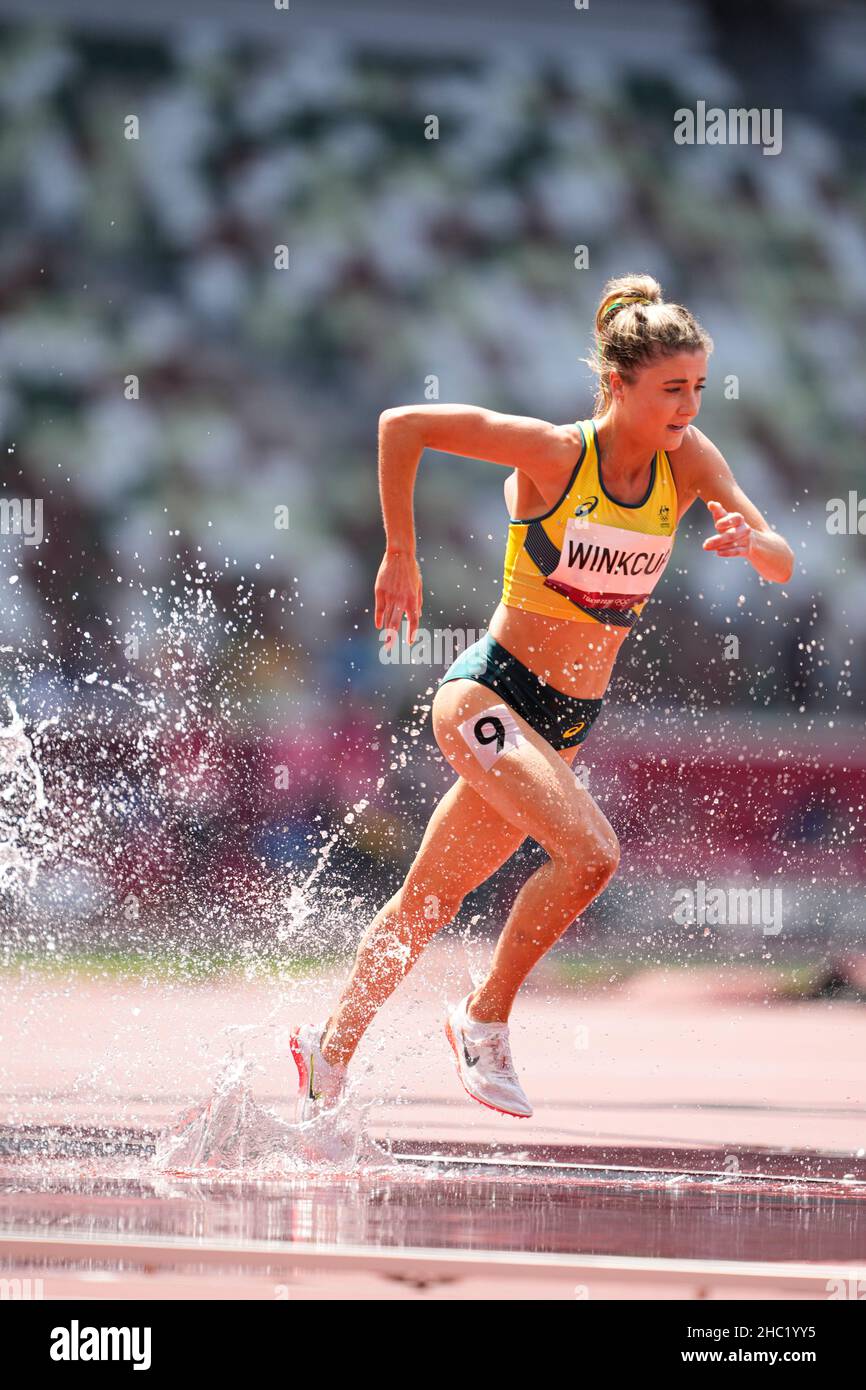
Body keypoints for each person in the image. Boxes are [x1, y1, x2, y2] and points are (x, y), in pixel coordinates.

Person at [290, 273, 794, 1123]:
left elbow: (781, 558)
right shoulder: (558, 454)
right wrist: (401, 553)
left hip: (561, 727)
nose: (687, 407)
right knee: (593, 856)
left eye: (698, 389)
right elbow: (402, 426)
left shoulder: (690, 462)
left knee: (428, 900)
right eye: (671, 389)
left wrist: (756, 543)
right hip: (489, 694)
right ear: (618, 383)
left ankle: (326, 1051)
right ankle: (482, 1018)